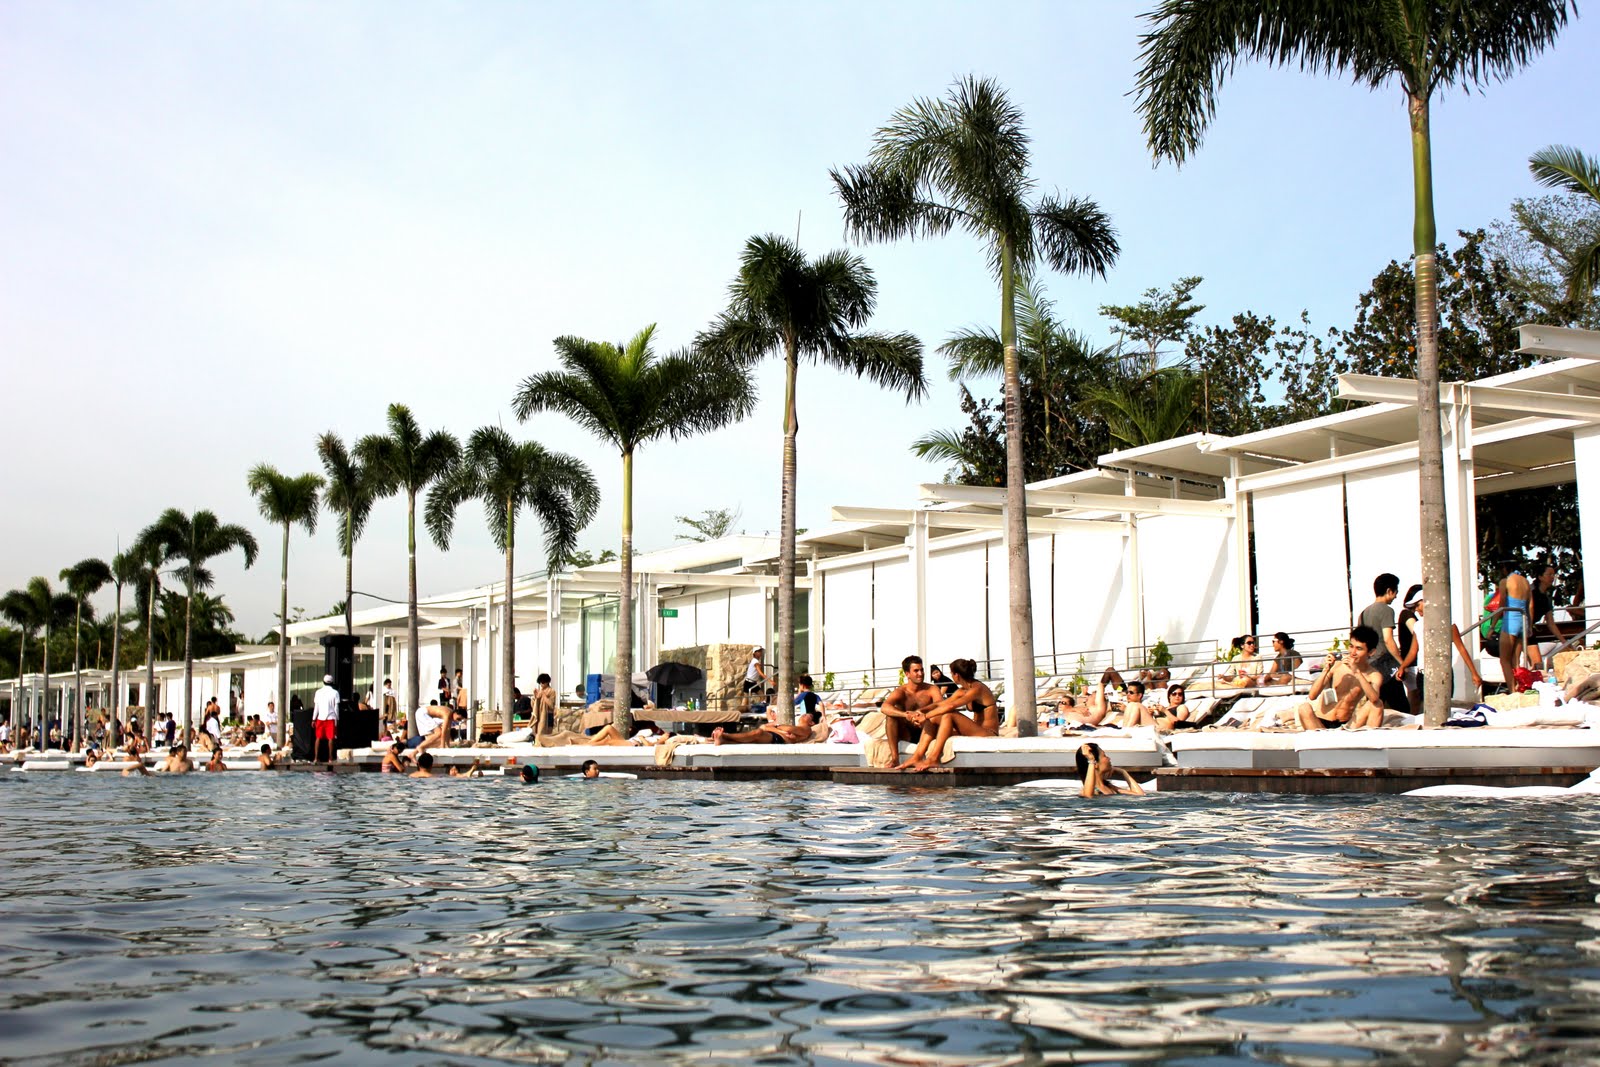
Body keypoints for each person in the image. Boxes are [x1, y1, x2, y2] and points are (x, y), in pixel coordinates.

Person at [900, 658, 999, 772]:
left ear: (956, 675)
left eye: (951, 673)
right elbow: (940, 704)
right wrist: (919, 711)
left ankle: (934, 758)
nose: (951, 676)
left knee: (949, 715)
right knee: (934, 718)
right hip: (975, 729)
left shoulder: (977, 688)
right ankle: (916, 757)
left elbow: (951, 706)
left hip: (988, 732)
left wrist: (925, 716)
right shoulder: (962, 691)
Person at [1296, 626, 1386, 731]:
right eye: (1351, 646)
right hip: (1322, 722)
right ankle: (1322, 738)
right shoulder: (1338, 665)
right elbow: (1312, 695)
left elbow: (1374, 699)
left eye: (1359, 649)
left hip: (1346, 725)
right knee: (1304, 708)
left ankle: (1369, 740)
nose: (1353, 652)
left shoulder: (1373, 675)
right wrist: (1326, 669)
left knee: (1378, 705)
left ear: (1371, 652)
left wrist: (1357, 672)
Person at [878, 655, 943, 768]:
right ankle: (895, 759)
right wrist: (905, 714)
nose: (920, 673)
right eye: (916, 671)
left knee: (936, 717)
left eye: (922, 670)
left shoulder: (932, 689)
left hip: (926, 729)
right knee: (890, 717)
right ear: (907, 674)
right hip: (907, 732)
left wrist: (922, 713)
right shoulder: (901, 691)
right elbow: (884, 707)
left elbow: (940, 704)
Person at [1493, 560, 1534, 690]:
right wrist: (1530, 625)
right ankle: (1520, 688)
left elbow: (1502, 604)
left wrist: (1492, 626)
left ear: (1505, 568)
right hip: (1523, 620)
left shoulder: (1505, 581)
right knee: (1515, 660)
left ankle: (1512, 690)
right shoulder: (1525, 582)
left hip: (1511, 620)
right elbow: (1531, 605)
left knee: (1504, 660)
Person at [1357, 573, 1404, 679]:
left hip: (1368, 665)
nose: (1396, 596)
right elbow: (1388, 640)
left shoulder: (1363, 613)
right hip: (1384, 664)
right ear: (1389, 591)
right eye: (1396, 592)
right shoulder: (1387, 610)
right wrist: (1402, 663)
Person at [711, 709, 821, 745]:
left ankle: (724, 735)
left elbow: (788, 729)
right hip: (777, 735)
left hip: (779, 739)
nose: (805, 714)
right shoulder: (793, 725)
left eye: (809, 716)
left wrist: (777, 728)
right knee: (755, 735)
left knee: (757, 734)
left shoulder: (807, 729)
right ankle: (723, 739)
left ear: (812, 723)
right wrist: (780, 730)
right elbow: (764, 726)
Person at [1077, 742, 1147, 798]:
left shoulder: (1109, 787)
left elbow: (1140, 795)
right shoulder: (1088, 791)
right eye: (1104, 756)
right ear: (1095, 764)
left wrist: (1123, 772)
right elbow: (1088, 796)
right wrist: (1091, 760)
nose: (1109, 758)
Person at [312, 673, 341, 765]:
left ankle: (316, 758)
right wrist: (337, 719)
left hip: (320, 717)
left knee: (318, 737)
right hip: (331, 717)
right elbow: (336, 708)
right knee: (331, 738)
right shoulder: (335, 693)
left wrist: (313, 719)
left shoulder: (318, 692)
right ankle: (330, 758)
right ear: (332, 683)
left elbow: (316, 707)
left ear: (323, 682)